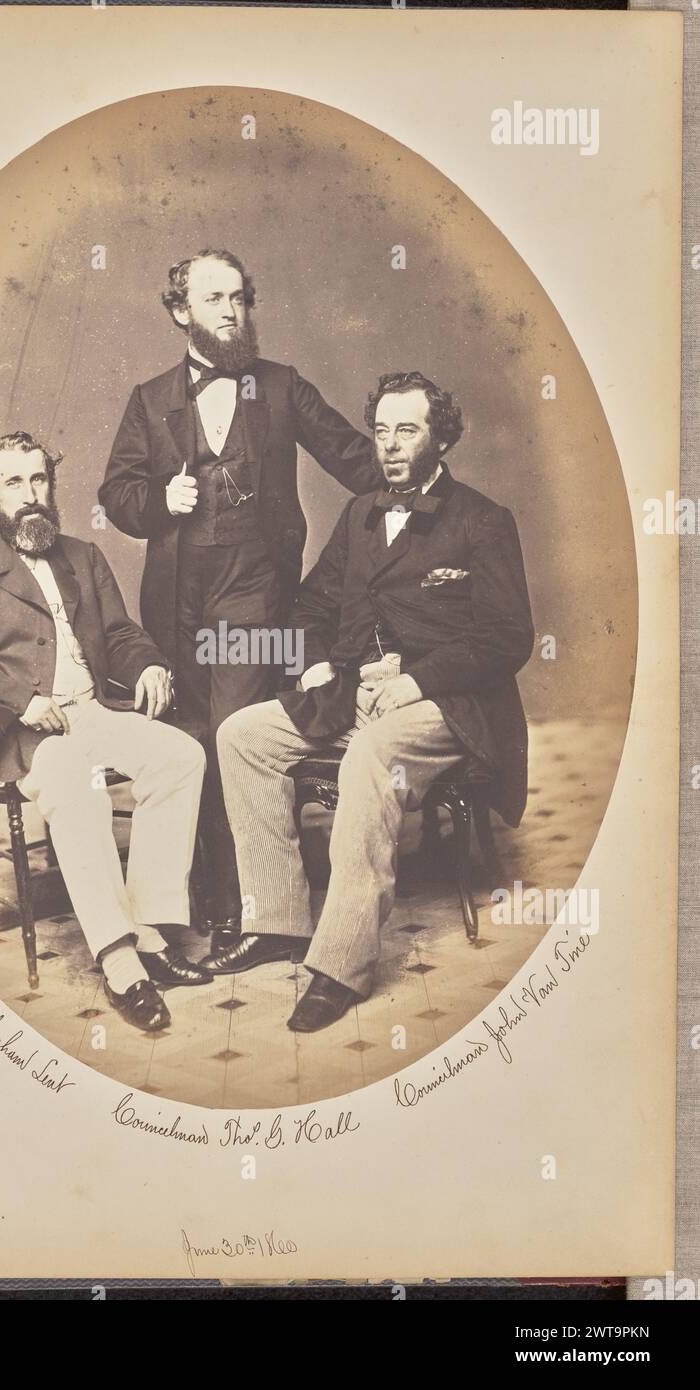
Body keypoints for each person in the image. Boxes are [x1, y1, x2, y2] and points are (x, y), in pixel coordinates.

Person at [207, 372, 535, 1032]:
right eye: (381, 430)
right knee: (242, 735)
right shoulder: (361, 514)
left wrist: (415, 681)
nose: (389, 445)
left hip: (445, 703)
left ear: (440, 438)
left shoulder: (481, 521)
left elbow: (508, 637)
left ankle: (339, 966)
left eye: (406, 430)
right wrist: (317, 661)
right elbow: (312, 604)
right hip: (355, 687)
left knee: (371, 758)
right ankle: (276, 922)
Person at [98, 249, 379, 947]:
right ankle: (199, 889)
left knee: (230, 732)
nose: (233, 311)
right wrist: (161, 499)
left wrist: (421, 480)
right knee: (188, 737)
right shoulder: (150, 399)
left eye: (240, 297)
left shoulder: (282, 387)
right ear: (180, 312)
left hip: (253, 594)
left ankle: (246, 909)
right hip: (175, 596)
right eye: (217, 298)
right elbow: (117, 496)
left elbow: (354, 458)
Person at [0, 431, 210, 1035]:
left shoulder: (82, 556)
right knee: (76, 785)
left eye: (40, 479)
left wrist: (149, 663)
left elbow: (121, 635)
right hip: (20, 732)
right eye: (13, 482)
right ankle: (121, 959)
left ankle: (151, 928)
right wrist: (22, 699)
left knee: (181, 756)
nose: (31, 495)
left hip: (93, 710)